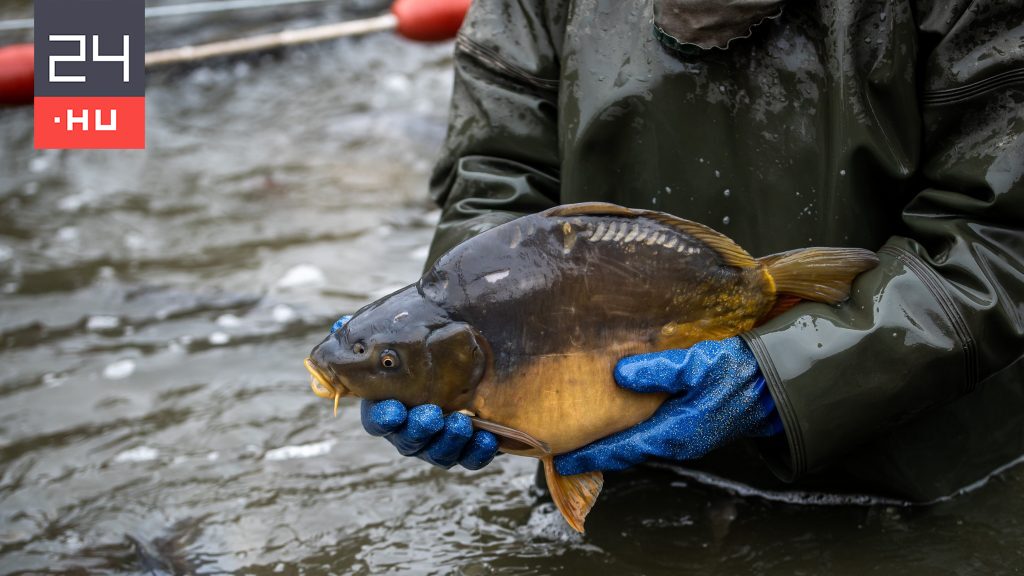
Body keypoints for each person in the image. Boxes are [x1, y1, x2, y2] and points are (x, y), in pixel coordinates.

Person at [351, 0, 1024, 502]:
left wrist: (791, 375)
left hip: (919, 481)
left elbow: (1002, 232)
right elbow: (494, 175)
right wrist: (428, 330)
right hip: (623, 475)